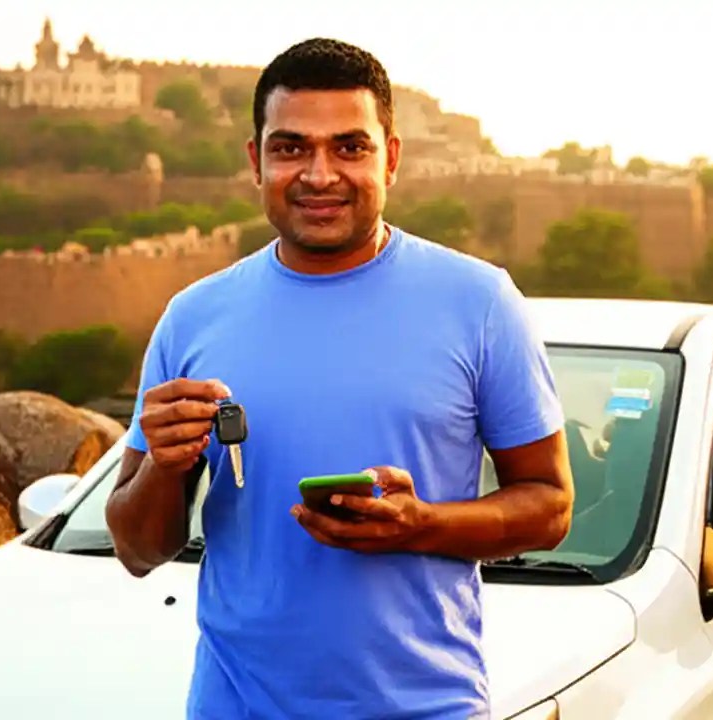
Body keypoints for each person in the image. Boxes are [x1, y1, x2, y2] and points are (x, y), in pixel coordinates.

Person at [105, 36, 574, 720]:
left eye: (348, 147)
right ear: (255, 160)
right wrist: (164, 468)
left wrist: (419, 524)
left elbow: (550, 506)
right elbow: (138, 548)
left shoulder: (479, 302)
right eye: (291, 147)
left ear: (392, 156)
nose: (319, 174)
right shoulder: (193, 318)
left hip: (428, 707)